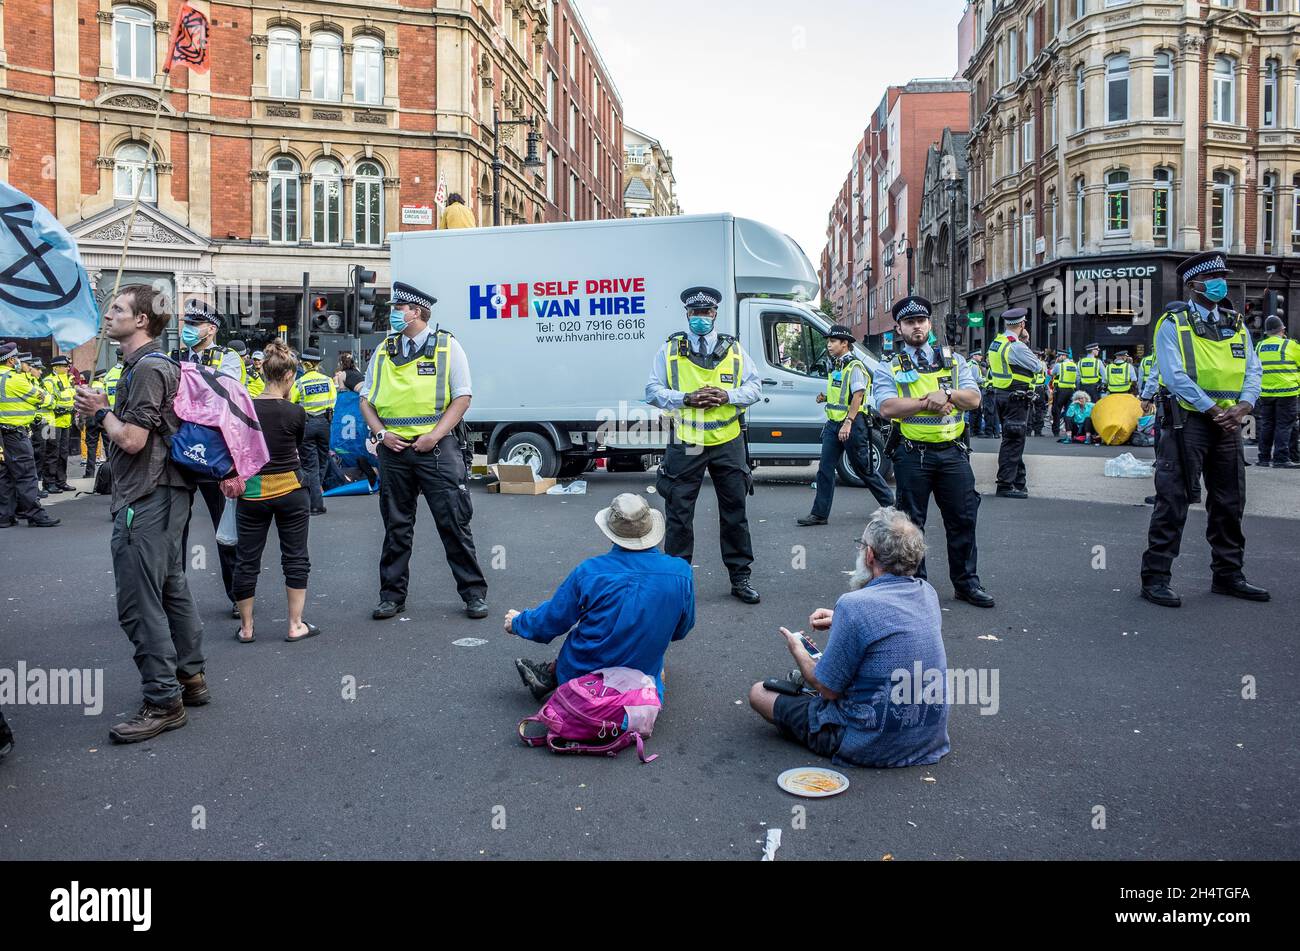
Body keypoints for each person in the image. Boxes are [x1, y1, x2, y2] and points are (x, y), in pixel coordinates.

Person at [73, 284, 208, 743]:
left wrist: (100, 411)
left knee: (138, 602)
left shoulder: (148, 368)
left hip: (147, 496)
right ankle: (190, 680)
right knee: (171, 588)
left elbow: (132, 440)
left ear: (142, 320)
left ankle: (163, 701)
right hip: (166, 494)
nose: (108, 315)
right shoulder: (148, 365)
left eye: (118, 309)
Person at [748, 507, 950, 769]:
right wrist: (840, 619)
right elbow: (894, 629)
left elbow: (827, 689)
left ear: (869, 555)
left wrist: (798, 650)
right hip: (926, 739)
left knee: (759, 693)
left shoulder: (855, 606)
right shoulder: (927, 593)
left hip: (866, 742)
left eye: (861, 544)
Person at [1140, 252, 1268, 608]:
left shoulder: (1235, 322)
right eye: (1213, 278)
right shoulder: (1173, 323)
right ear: (1194, 285)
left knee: (1229, 501)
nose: (1220, 284)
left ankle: (1228, 574)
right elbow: (1175, 374)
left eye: (1223, 277)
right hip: (1188, 422)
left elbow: (1252, 369)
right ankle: (1156, 578)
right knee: (1173, 500)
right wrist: (1213, 409)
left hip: (1229, 422)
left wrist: (1245, 406)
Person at [359, 281, 489, 621]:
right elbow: (366, 400)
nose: (393, 315)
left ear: (416, 312)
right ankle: (391, 596)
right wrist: (381, 433)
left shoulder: (447, 346)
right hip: (394, 450)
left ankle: (474, 594)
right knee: (396, 527)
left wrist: (434, 435)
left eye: (398, 309)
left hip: (436, 448)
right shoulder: (385, 349)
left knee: (454, 523)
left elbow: (462, 397)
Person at [507, 493, 694, 702]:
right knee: (647, 645)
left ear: (611, 531)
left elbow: (552, 621)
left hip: (583, 675)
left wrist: (518, 622)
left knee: (592, 634)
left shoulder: (589, 572)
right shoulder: (681, 573)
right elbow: (680, 630)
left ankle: (555, 675)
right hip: (640, 684)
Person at [644, 286, 763, 604]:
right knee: (680, 514)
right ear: (688, 315)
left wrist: (727, 396)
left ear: (715, 314)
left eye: (706, 312)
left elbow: (755, 386)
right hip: (688, 443)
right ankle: (677, 583)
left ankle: (741, 578)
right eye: (695, 313)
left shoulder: (734, 350)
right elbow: (652, 390)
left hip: (727, 440)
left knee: (735, 512)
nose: (701, 318)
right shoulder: (670, 350)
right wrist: (686, 398)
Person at [874, 296, 994, 608]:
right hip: (913, 455)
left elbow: (974, 399)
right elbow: (887, 407)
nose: (917, 326)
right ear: (899, 329)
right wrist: (930, 399)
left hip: (953, 453)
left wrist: (950, 393)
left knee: (963, 519)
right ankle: (916, 586)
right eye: (910, 322)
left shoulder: (954, 361)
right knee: (911, 527)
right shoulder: (890, 366)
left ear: (929, 323)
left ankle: (967, 583)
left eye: (921, 321)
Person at [231, 341, 318, 644]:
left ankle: (246, 627)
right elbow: (299, 447)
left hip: (252, 494)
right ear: (289, 376)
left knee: (246, 559)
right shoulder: (296, 412)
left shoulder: (246, 410)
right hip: (291, 490)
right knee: (295, 557)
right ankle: (295, 625)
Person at [175, 299, 242, 615]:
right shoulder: (174, 357)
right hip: (179, 451)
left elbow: (222, 398)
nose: (188, 330)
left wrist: (187, 386)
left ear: (211, 329)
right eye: (186, 324)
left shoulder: (228, 358)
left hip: (216, 454)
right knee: (174, 530)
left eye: (194, 324)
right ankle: (173, 596)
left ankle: (237, 595)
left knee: (226, 531)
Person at [797, 324, 895, 526]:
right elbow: (843, 394)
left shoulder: (854, 366)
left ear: (845, 343)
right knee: (825, 469)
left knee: (863, 469)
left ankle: (892, 505)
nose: (829, 344)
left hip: (851, 424)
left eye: (833, 341)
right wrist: (825, 397)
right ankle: (819, 514)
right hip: (834, 424)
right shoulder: (837, 365)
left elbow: (858, 396)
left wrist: (848, 423)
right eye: (829, 341)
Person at [0, 342, 60, 527]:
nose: (18, 361)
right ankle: (35, 514)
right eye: (16, 358)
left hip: (2, 435)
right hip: (15, 434)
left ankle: (5, 516)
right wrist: (48, 400)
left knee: (5, 475)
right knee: (26, 474)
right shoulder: (15, 379)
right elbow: (45, 398)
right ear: (10, 360)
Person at [985, 308, 1043, 499]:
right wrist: (1025, 342)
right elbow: (1036, 366)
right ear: (1022, 325)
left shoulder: (997, 342)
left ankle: (1018, 482)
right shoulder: (1016, 346)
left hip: (1001, 395)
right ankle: (1005, 484)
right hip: (1015, 398)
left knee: (1012, 439)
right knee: (1013, 441)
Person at [290, 347, 337, 516]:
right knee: (322, 461)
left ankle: (314, 504)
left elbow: (291, 402)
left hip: (307, 425)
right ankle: (316, 493)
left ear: (304, 363)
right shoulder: (328, 381)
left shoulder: (300, 383)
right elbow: (333, 401)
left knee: (310, 465)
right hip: (325, 424)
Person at [1254, 316, 1299, 469]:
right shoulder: (1290, 345)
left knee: (1267, 424)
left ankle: (1264, 458)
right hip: (1287, 392)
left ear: (1267, 332)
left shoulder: (1259, 346)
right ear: (1283, 330)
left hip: (1266, 393)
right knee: (1284, 425)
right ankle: (1281, 458)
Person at [40, 357, 76, 492]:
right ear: (55, 367)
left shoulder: (68, 381)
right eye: (65, 366)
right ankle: (49, 483)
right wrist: (60, 408)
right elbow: (47, 401)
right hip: (51, 423)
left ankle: (61, 481)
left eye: (68, 366)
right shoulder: (49, 381)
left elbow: (70, 399)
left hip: (65, 422)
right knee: (52, 453)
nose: (68, 368)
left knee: (63, 453)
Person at [1051, 352, 1078, 436]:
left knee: (1057, 410)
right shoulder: (1074, 365)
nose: (1058, 357)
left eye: (1059, 356)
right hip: (1071, 390)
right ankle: (1068, 430)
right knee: (1068, 411)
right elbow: (1077, 378)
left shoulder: (1059, 365)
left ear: (1064, 356)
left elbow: (1052, 373)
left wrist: (1055, 364)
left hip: (1061, 390)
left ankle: (1056, 431)